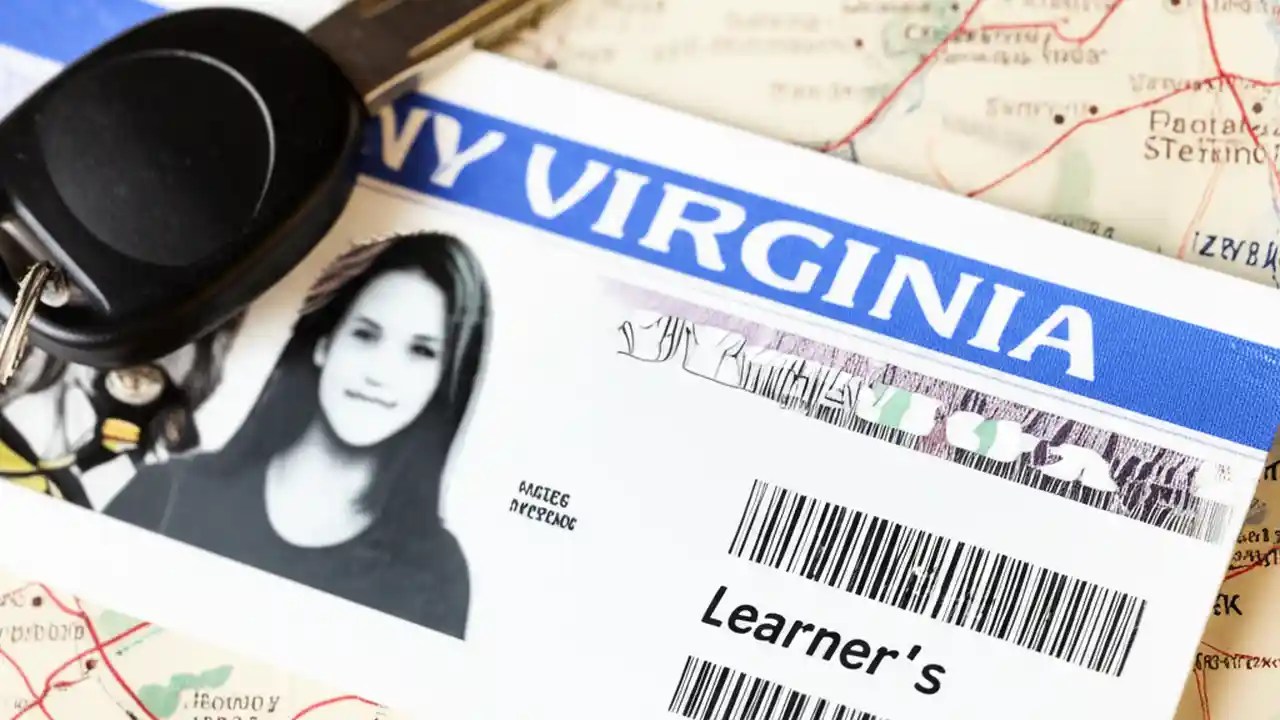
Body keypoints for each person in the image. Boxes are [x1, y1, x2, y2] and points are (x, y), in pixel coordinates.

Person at [104, 232, 490, 639]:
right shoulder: (165, 492)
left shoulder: (435, 574)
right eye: (365, 334)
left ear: (442, 383)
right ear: (325, 343)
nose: (380, 374)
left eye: (422, 352)